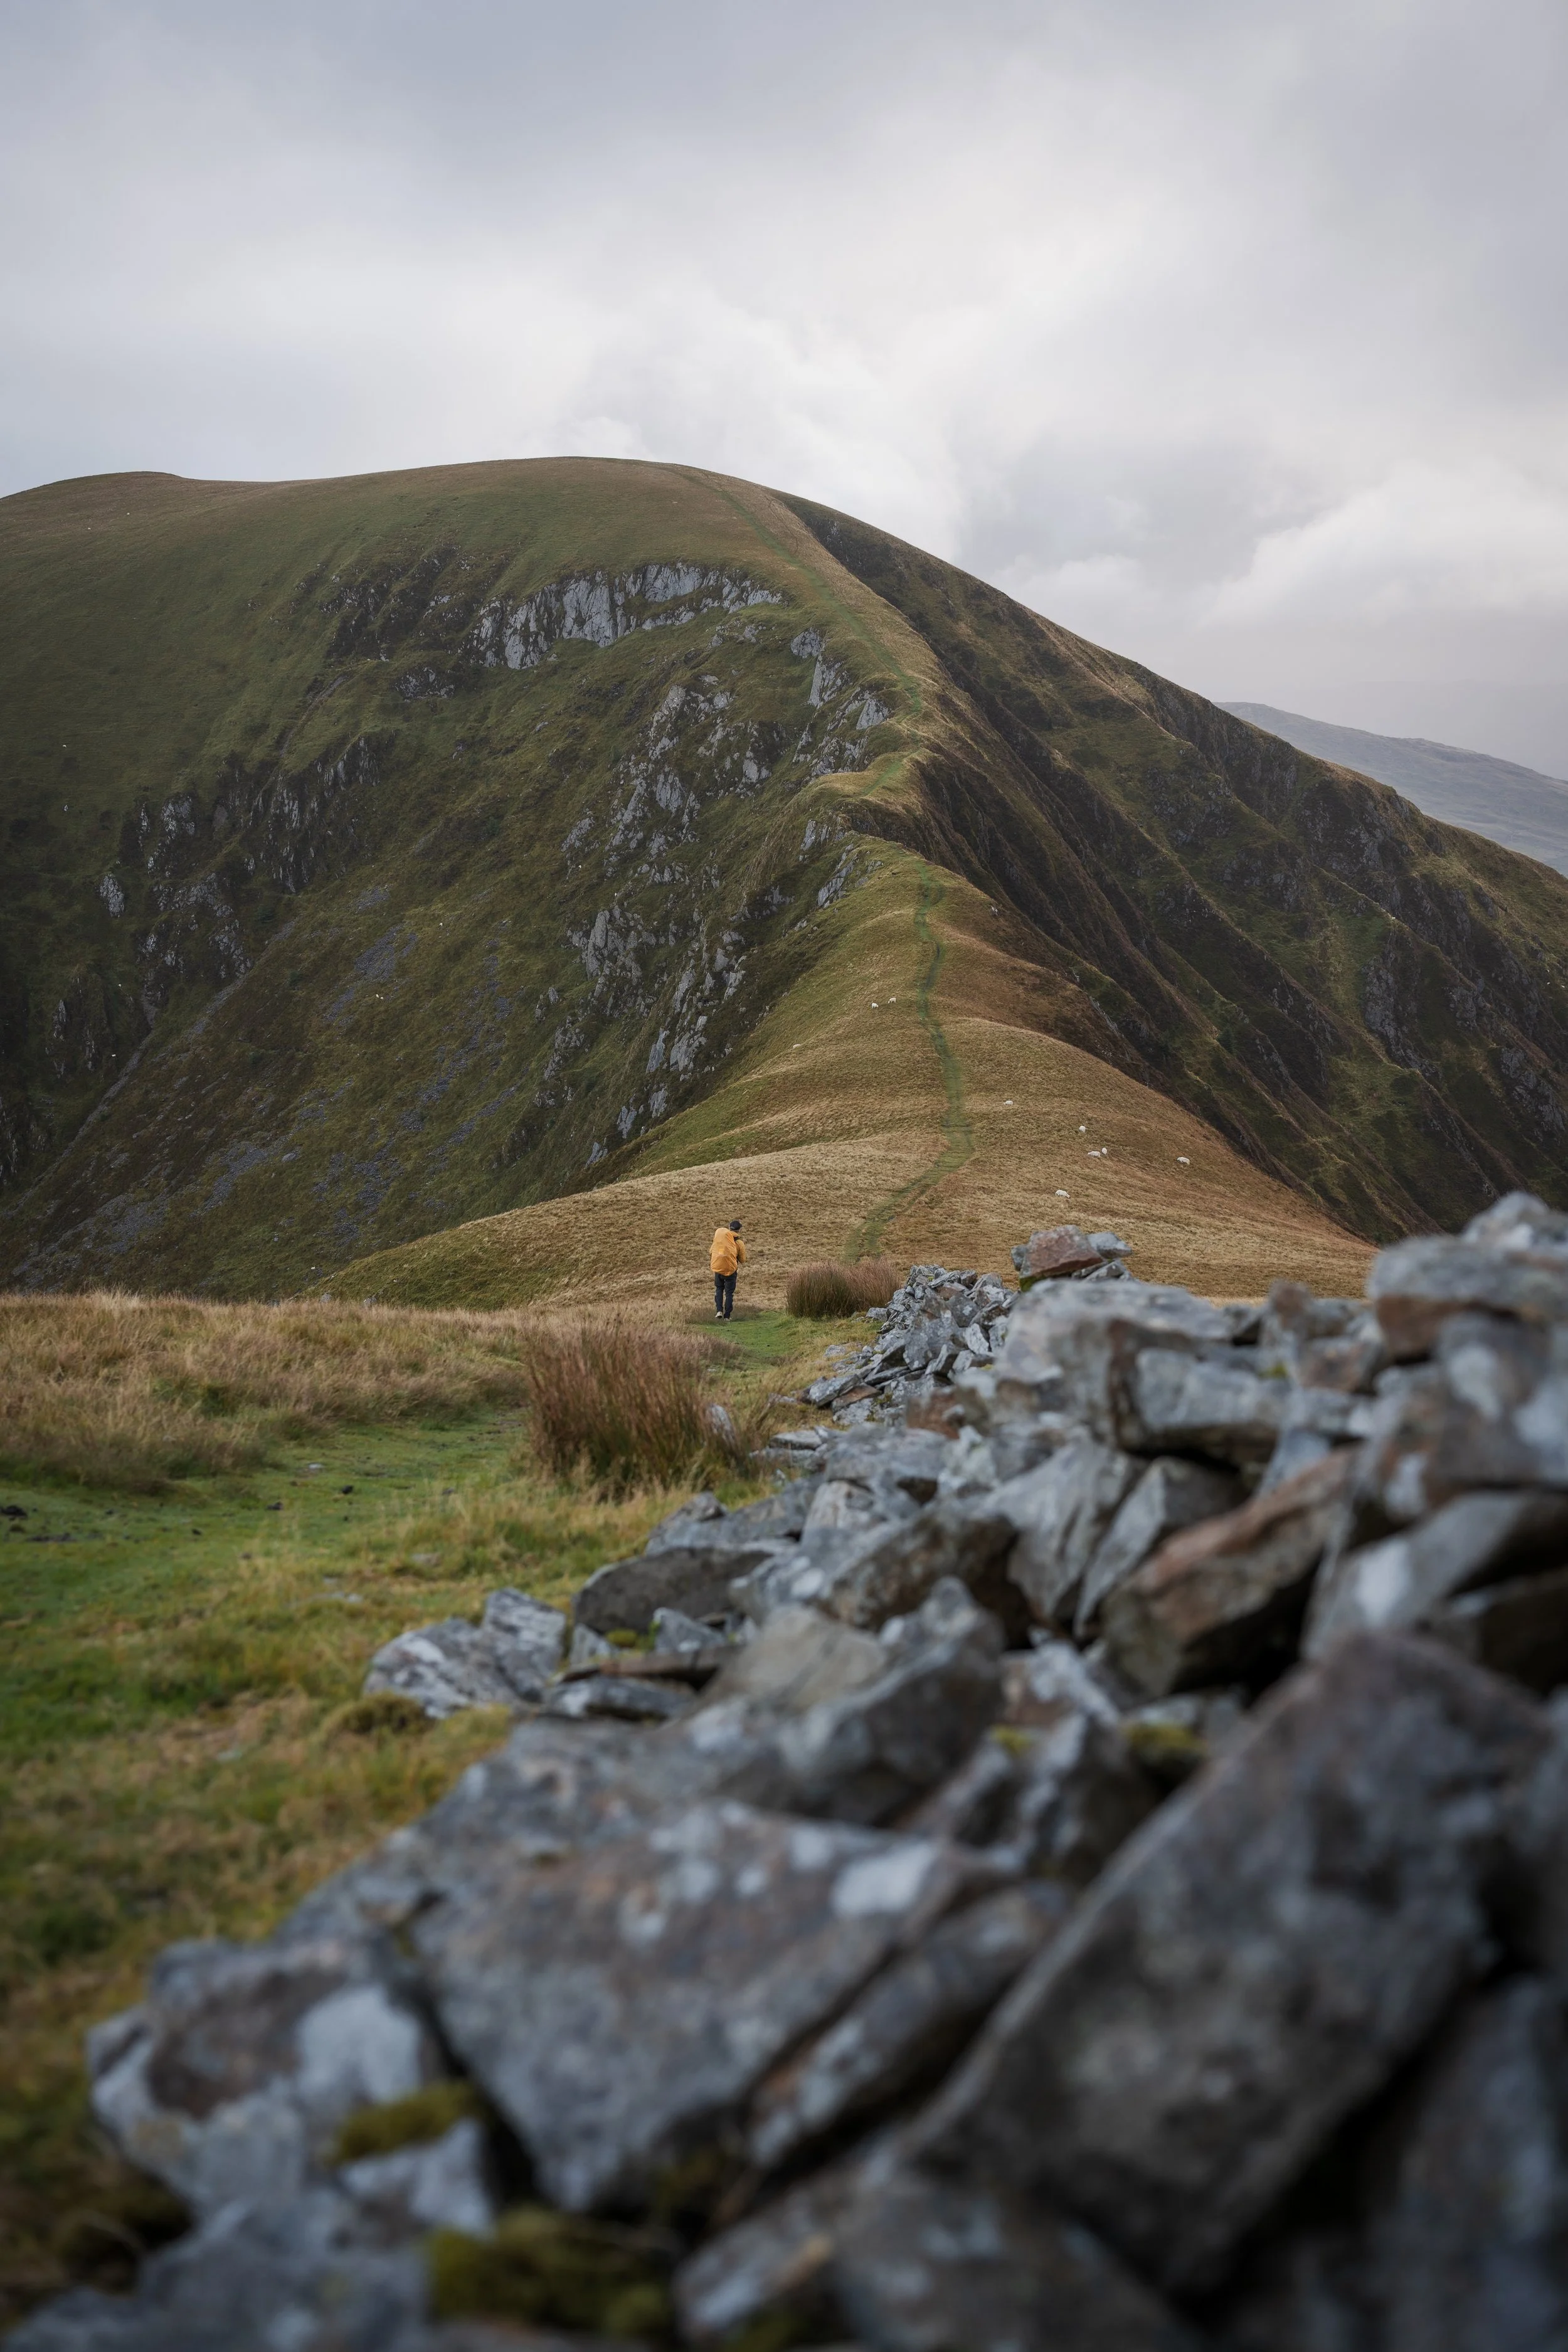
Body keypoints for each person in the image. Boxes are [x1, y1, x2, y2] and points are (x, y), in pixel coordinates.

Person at [710, 1218, 746, 1320]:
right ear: (739, 1230)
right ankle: (727, 1316)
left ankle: (719, 1311)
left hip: (719, 1268)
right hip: (731, 1270)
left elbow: (711, 1251)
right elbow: (743, 1260)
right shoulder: (739, 1243)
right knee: (729, 1293)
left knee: (719, 1289)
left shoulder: (721, 1241)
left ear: (729, 1228)